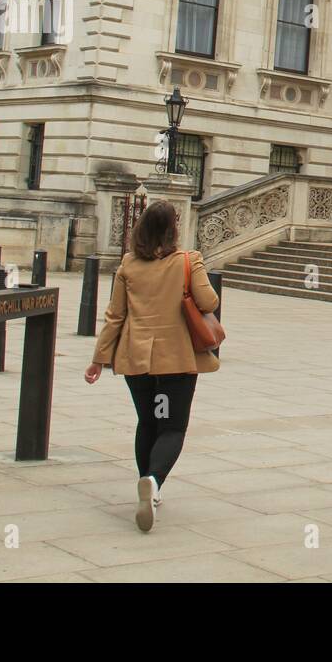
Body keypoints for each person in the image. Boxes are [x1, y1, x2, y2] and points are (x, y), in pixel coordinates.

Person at [85, 200, 219, 532]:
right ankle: (153, 481)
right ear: (173, 229)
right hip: (175, 357)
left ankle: (148, 485)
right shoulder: (189, 260)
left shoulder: (128, 264)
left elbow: (115, 315)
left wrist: (99, 359)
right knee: (172, 426)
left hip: (136, 356)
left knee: (148, 421)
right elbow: (209, 302)